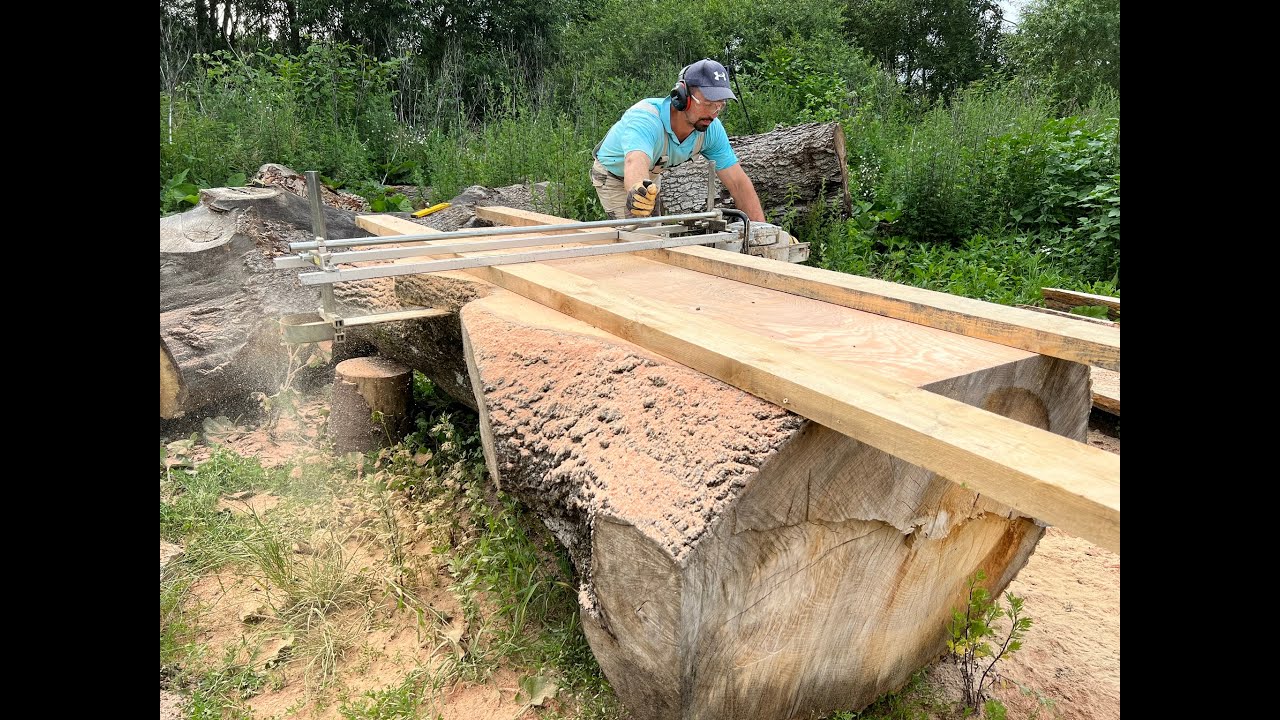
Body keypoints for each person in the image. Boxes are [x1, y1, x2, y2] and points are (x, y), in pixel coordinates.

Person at [591, 58, 766, 222]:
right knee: (638, 236)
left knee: (653, 233)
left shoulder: (711, 128)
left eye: (720, 105)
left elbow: (738, 183)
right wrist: (638, 191)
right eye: (708, 103)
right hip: (615, 175)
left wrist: (765, 232)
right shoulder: (646, 119)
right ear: (682, 96)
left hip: (650, 174)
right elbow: (634, 161)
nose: (713, 113)